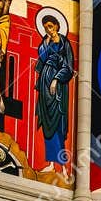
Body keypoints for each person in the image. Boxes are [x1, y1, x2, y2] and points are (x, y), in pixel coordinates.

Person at [34, 15, 75, 173]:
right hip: (45, 82)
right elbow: (42, 60)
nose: (48, 30)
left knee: (58, 122)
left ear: (57, 26)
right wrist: (45, 43)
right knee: (46, 122)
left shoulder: (64, 44)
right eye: (46, 28)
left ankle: (64, 167)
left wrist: (56, 80)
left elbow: (69, 67)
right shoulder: (46, 42)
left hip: (58, 87)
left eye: (50, 26)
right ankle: (51, 164)